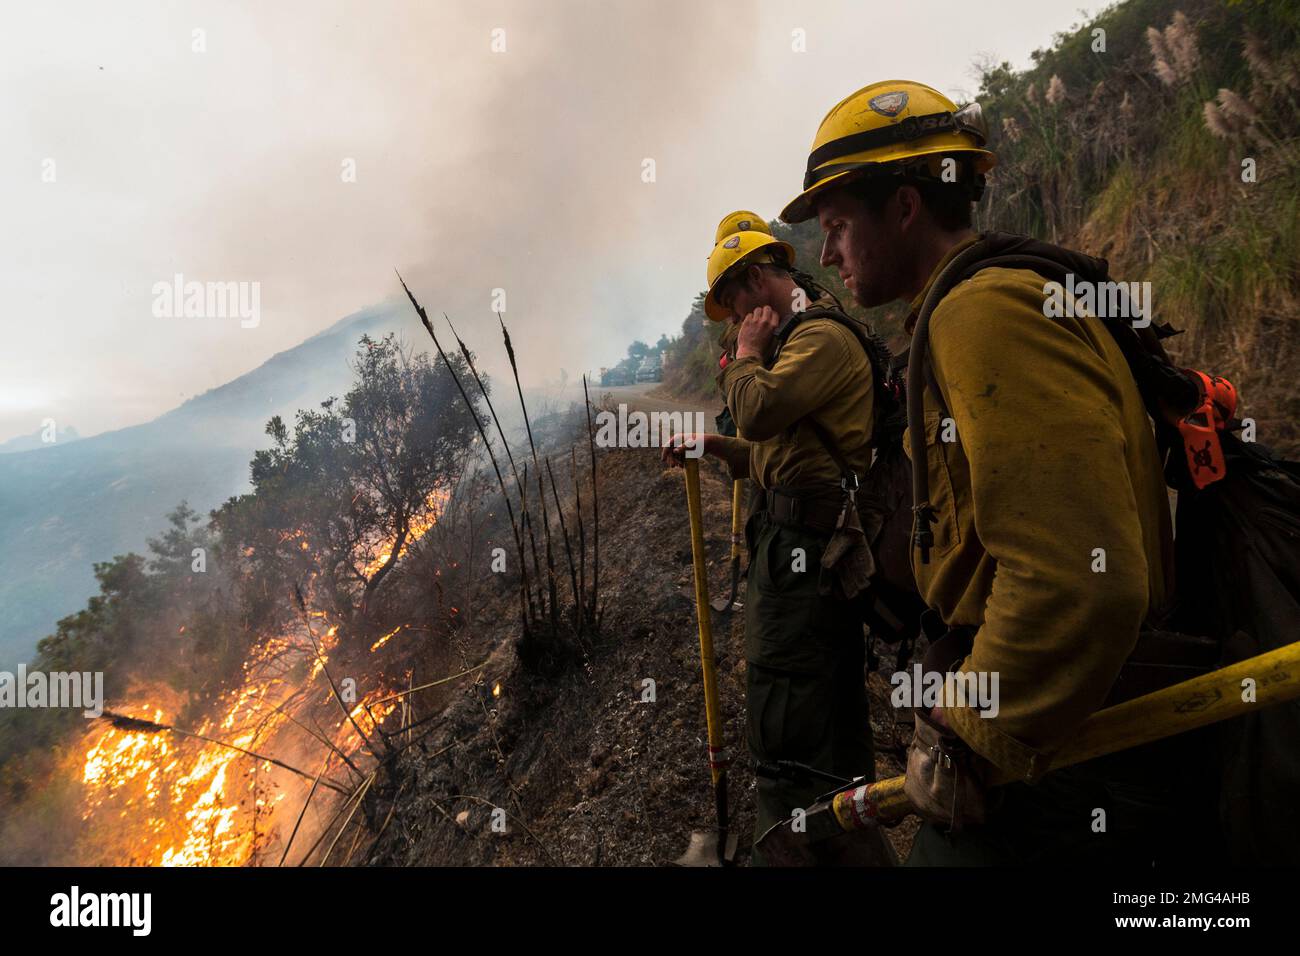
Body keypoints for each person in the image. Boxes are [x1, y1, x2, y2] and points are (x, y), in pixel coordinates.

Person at [780, 79, 1213, 864]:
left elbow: (1080, 577)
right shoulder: (1004, 292)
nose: (829, 253)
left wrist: (972, 732)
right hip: (1060, 727)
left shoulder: (984, 314)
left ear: (906, 208)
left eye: (839, 227)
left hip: (1059, 760)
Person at [663, 215, 879, 864]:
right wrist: (722, 448)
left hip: (806, 563)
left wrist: (746, 360)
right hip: (795, 550)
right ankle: (847, 847)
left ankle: (785, 849)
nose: (732, 325)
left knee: (784, 734)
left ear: (757, 280)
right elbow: (779, 453)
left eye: (734, 307)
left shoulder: (817, 341)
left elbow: (758, 408)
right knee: (830, 740)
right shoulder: (794, 342)